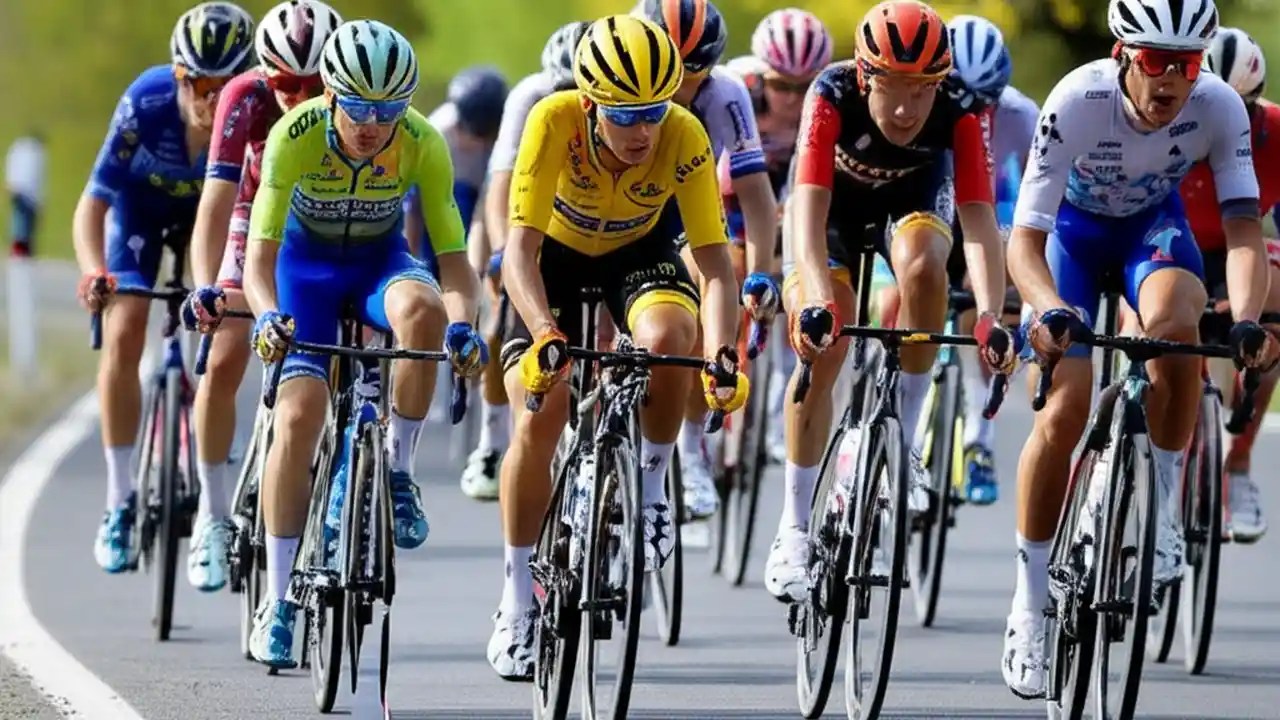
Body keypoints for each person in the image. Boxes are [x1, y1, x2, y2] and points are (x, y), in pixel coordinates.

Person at [1002, 0, 1277, 699]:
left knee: (1175, 326)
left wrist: (1245, 318)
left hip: (1152, 234)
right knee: (1062, 411)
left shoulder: (1218, 107)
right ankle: (1029, 605)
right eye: (1156, 61)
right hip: (1070, 236)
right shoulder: (1077, 99)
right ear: (1125, 54)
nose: (1170, 81)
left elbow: (1246, 231)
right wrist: (1048, 309)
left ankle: (1156, 497)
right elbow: (1024, 242)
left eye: (1185, 65)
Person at [486, 14, 748, 680]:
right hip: (554, 262)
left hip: (638, 254)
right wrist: (546, 331)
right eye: (626, 115)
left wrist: (723, 356)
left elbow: (716, 267)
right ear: (590, 103)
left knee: (668, 338)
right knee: (538, 414)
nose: (643, 131)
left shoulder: (682, 135)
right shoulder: (551, 121)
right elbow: (518, 252)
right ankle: (517, 599)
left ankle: (654, 487)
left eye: (655, 111)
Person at [240, 19, 485, 668]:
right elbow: (258, 264)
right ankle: (280, 594)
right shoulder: (290, 137)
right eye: (359, 106)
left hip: (380, 265)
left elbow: (455, 265)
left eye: (390, 108)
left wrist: (464, 325)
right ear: (330, 94)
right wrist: (266, 317)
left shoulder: (421, 142)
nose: (373, 123)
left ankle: (398, 473)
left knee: (426, 309)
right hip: (304, 278)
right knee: (297, 415)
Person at [769, 0, 1015, 604]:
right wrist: (818, 302)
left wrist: (988, 313)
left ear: (941, 83)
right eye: (892, 89)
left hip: (909, 205)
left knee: (928, 265)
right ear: (864, 75)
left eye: (922, 90)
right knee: (826, 347)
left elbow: (980, 224)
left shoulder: (959, 107)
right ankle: (794, 528)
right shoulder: (830, 91)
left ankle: (903, 436)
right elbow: (807, 208)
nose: (907, 109)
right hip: (830, 218)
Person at [73, 1, 256, 575]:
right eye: (200, 83)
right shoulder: (147, 102)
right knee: (126, 329)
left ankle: (206, 447)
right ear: (179, 76)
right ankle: (119, 500)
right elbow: (94, 201)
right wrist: (91, 269)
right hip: (141, 216)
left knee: (223, 337)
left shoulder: (254, 113)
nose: (212, 99)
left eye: (226, 84)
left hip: (218, 220)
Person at [180, 0, 342, 595]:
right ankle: (213, 515)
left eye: (313, 85)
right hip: (258, 213)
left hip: (331, 220)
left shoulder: (359, 99)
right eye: (285, 86)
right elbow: (217, 205)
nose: (299, 98)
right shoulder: (243, 98)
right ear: (264, 75)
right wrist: (207, 285)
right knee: (224, 353)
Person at [871, 14, 1040, 506]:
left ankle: (978, 444)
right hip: (919, 203)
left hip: (985, 209)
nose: (974, 111)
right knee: (894, 297)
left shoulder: (1021, 114)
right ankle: (878, 394)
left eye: (986, 101)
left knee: (980, 301)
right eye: (960, 94)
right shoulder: (920, 106)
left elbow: (1035, 200)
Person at [636, 0, 780, 520]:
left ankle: (691, 446)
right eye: (669, 73)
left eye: (692, 76)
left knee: (705, 287)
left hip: (680, 218)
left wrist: (760, 273)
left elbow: (757, 196)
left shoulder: (726, 94)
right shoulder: (614, 74)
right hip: (606, 218)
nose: (678, 90)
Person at [461, 21, 589, 502]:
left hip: (590, 214)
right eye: (563, 91)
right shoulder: (528, 97)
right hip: (524, 207)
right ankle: (492, 442)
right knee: (501, 308)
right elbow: (501, 187)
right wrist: (501, 254)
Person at [724, 8, 835, 464]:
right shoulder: (738, 90)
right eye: (782, 86)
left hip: (793, 187)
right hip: (735, 185)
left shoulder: (829, 96)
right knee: (730, 272)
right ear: (760, 76)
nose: (792, 98)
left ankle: (776, 418)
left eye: (802, 86)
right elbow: (716, 173)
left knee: (798, 294)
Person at [1181, 26, 1278, 543]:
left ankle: (1236, 465)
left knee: (1277, 292)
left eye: (1243, 110)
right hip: (1175, 247)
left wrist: (1259, 312)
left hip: (1237, 251)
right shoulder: (1168, 124)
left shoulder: (1276, 133)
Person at [5, 132, 46, 257]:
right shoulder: (36, 153)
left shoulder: (18, 148)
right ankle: (20, 248)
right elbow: (38, 177)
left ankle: (20, 247)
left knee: (20, 219)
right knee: (23, 221)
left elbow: (11, 167)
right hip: (28, 193)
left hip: (17, 189)